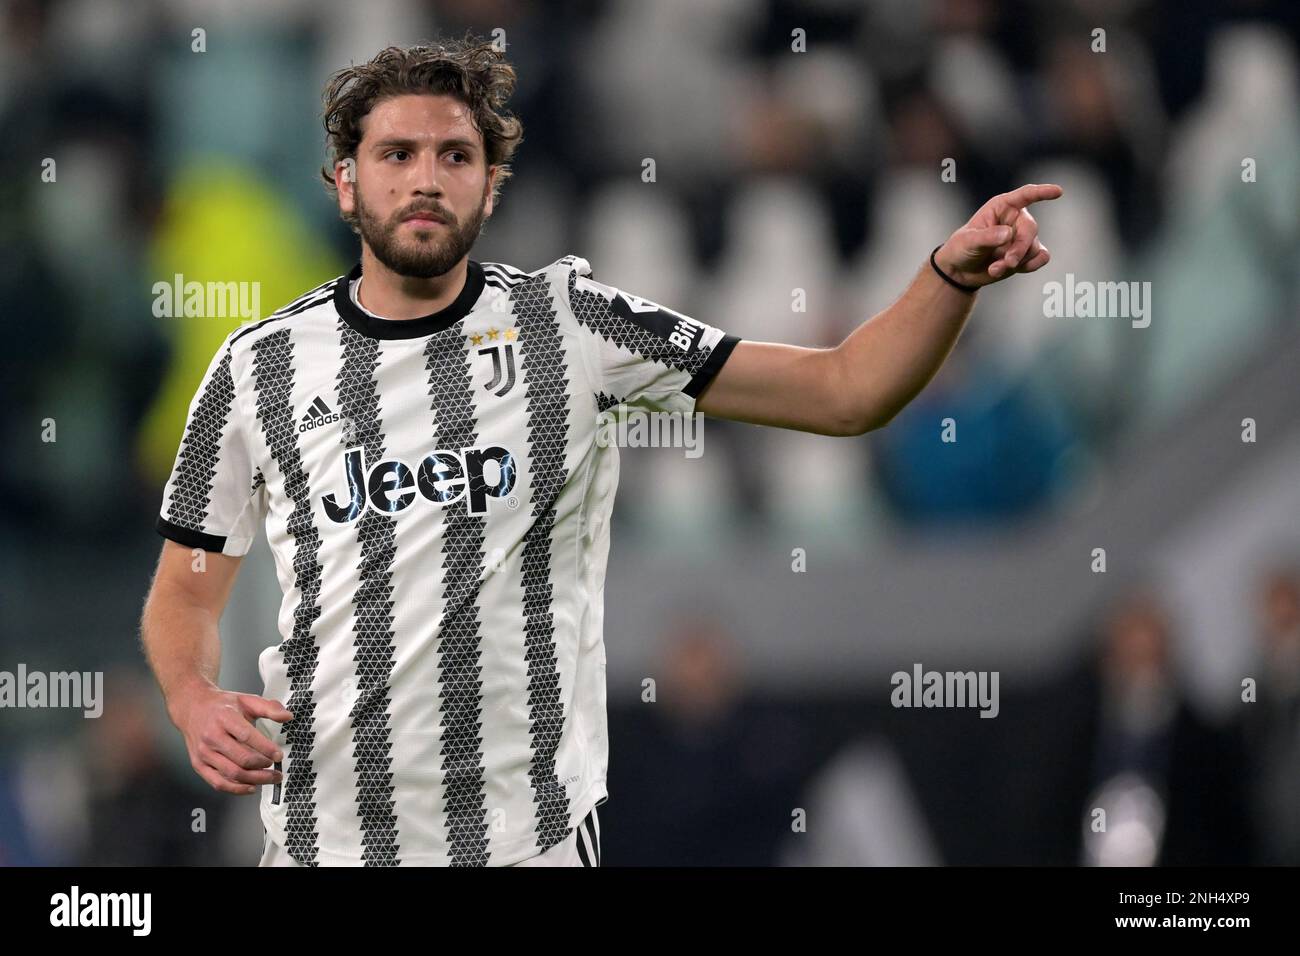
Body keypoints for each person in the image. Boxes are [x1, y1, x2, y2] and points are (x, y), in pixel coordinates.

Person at [139, 35, 1059, 867]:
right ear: (345, 181)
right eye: (396, 154)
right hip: (322, 846)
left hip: (523, 845)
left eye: (455, 155)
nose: (425, 178)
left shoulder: (570, 327)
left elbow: (846, 391)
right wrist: (191, 697)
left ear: (491, 186)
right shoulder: (256, 368)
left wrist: (946, 277)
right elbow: (185, 589)